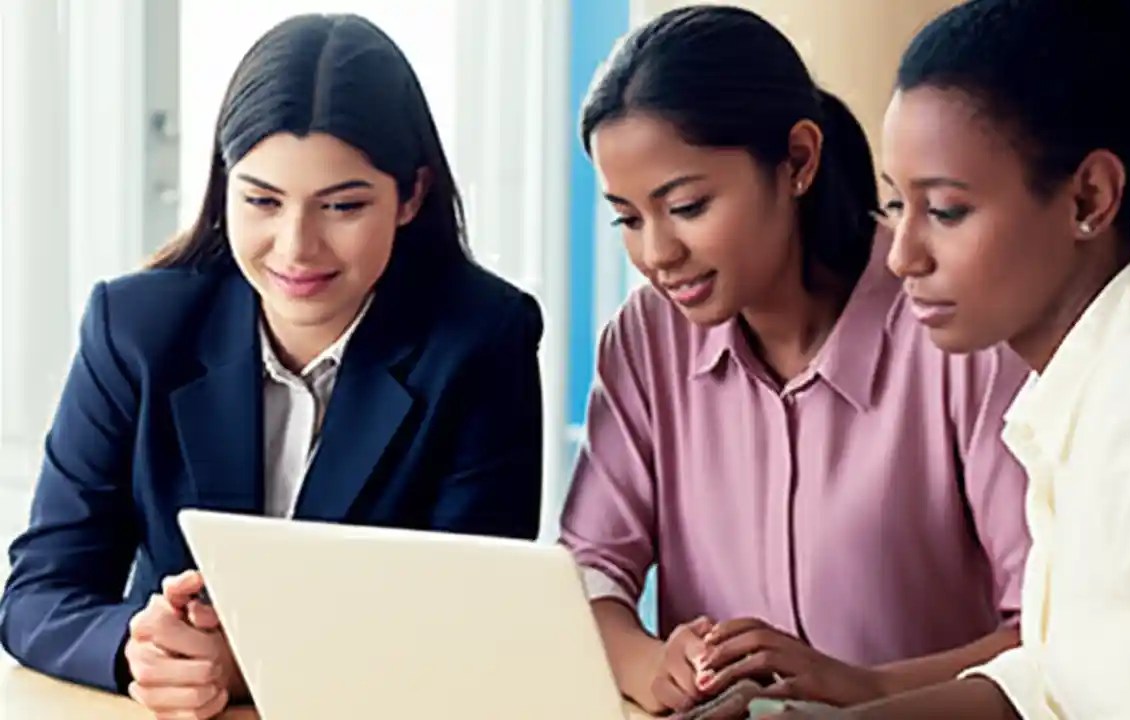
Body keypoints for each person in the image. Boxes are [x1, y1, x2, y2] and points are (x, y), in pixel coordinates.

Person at [0, 13, 543, 720]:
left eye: (343, 206)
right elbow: (39, 593)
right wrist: (137, 650)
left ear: (410, 196)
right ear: (224, 186)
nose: (297, 247)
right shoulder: (136, 329)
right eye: (261, 200)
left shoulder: (482, 341)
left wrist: (248, 664)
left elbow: (471, 622)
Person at [769, 0, 1130, 717]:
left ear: (1088, 198)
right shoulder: (1084, 392)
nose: (905, 254)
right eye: (895, 206)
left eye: (944, 211)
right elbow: (1062, 680)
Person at [558, 5, 1033, 716]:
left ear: (799, 161)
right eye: (628, 217)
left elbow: (1052, 633)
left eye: (686, 206)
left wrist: (865, 691)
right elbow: (587, 571)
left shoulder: (960, 336)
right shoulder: (644, 341)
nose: (656, 254)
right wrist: (654, 662)